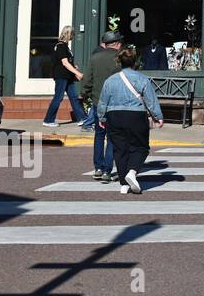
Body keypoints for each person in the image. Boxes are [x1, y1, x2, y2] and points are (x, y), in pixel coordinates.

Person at [97, 45, 164, 195]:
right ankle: (132, 172)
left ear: (120, 62)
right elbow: (151, 100)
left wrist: (101, 116)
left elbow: (103, 101)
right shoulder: (142, 79)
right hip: (136, 115)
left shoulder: (110, 80)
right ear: (135, 62)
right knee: (141, 147)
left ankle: (123, 183)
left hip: (114, 115)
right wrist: (158, 116)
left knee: (119, 149)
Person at [80, 31, 123, 181]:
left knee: (99, 135)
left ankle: (98, 167)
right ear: (116, 44)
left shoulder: (94, 58)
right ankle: (106, 170)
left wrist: (83, 94)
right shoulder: (120, 59)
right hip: (115, 102)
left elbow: (87, 80)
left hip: (99, 102)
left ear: (105, 44)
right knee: (112, 137)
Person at [42, 26, 86, 127]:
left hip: (67, 76)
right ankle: (48, 120)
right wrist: (78, 73)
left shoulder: (65, 46)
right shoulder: (61, 46)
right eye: (72, 34)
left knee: (74, 97)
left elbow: (67, 62)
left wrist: (74, 68)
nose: (73, 36)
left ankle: (82, 119)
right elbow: (65, 63)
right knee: (58, 97)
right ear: (68, 34)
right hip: (61, 76)